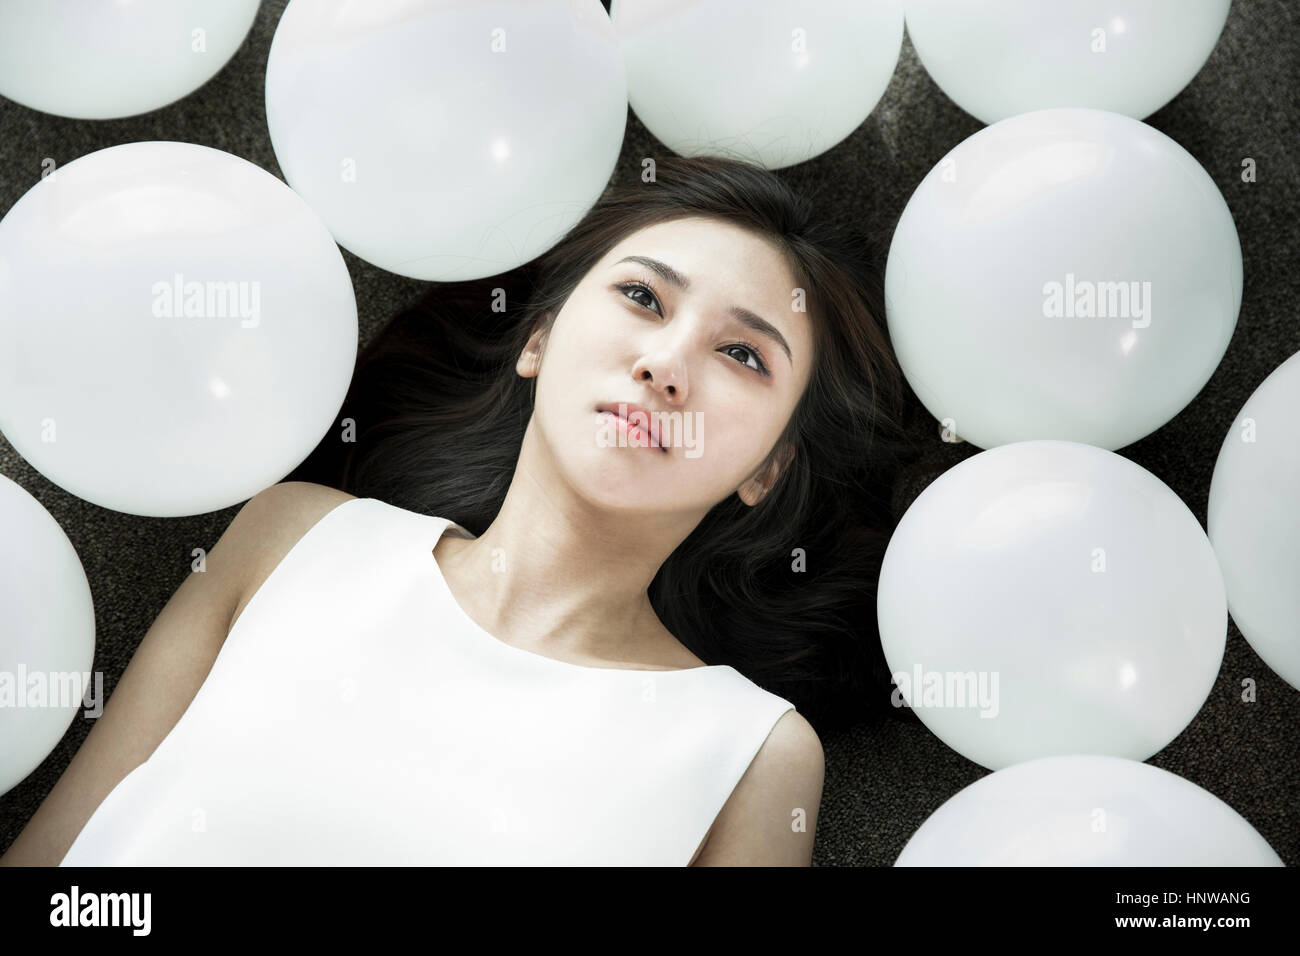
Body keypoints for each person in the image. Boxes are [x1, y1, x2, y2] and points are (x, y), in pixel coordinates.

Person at [1, 155, 907, 866]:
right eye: (641, 297)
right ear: (540, 341)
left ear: (770, 468)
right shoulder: (292, 538)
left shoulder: (752, 756)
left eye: (745, 355)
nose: (666, 364)